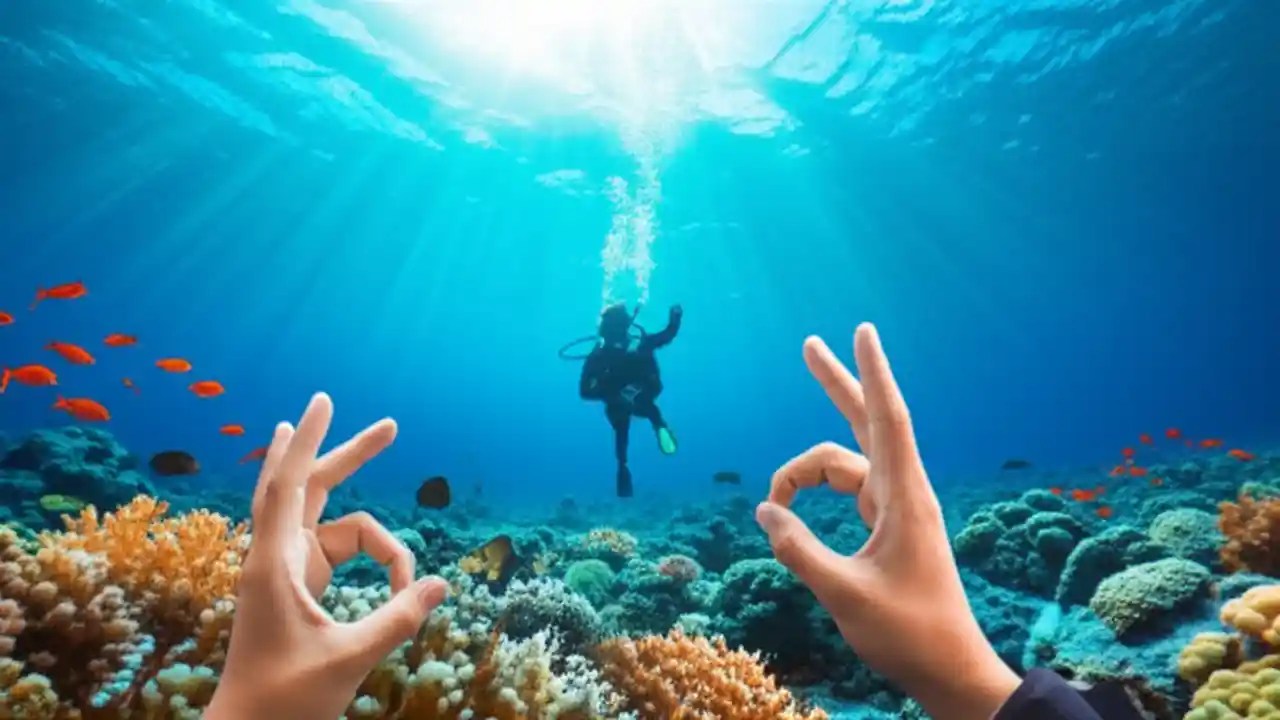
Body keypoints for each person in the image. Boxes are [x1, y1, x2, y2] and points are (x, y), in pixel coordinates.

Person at [207, 327, 1142, 720]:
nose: (617, 327)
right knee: (627, 424)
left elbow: (655, 347)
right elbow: (594, 380)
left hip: (638, 400)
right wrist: (980, 690)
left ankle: (648, 434)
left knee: (643, 414)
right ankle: (636, 445)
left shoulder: (634, 342)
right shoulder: (604, 355)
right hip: (623, 406)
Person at [578, 302, 682, 497]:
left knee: (622, 427)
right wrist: (675, 319)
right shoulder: (637, 344)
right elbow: (667, 335)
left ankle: (623, 465)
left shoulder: (598, 354)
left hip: (634, 396)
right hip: (635, 399)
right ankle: (658, 425)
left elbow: (584, 391)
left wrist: (610, 394)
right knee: (647, 410)